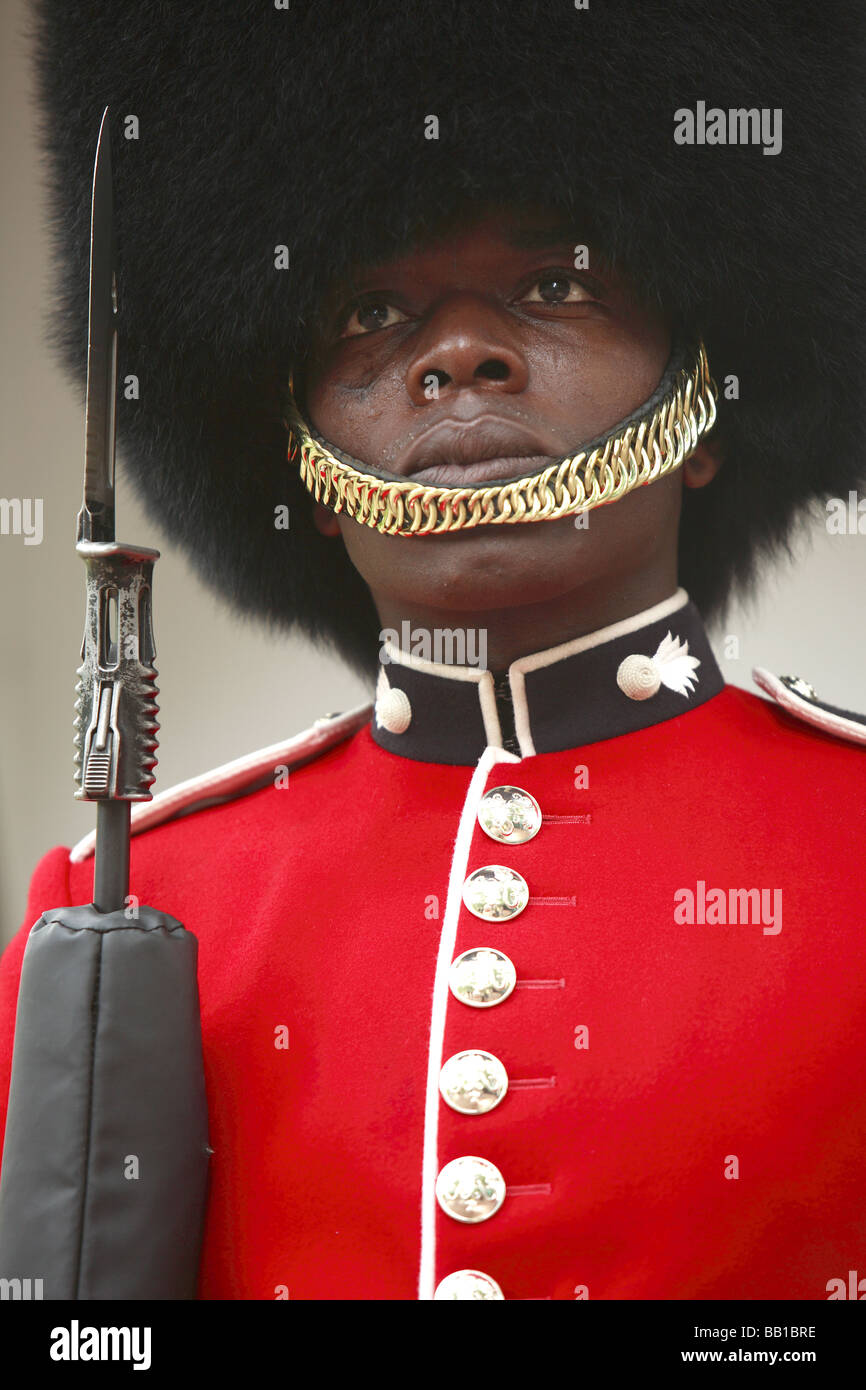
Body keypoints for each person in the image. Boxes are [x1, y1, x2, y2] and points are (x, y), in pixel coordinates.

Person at [0, 0, 863, 1301]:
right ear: (292, 446)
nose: (457, 352)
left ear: (706, 408)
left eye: (555, 284)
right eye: (368, 312)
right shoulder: (133, 893)